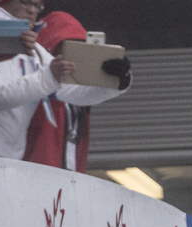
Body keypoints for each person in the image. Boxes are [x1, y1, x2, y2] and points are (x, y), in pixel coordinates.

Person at [0, 1, 126, 160]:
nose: (32, 10)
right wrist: (49, 76)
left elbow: (72, 91)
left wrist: (115, 81)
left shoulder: (34, 49)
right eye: (25, 2)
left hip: (8, 163)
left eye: (38, 5)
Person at [24, 11, 131, 172]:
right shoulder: (36, 85)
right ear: (50, 49)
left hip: (69, 179)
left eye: (81, 47)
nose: (73, 58)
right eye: (67, 47)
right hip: (32, 176)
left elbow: (86, 94)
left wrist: (120, 78)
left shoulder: (77, 98)